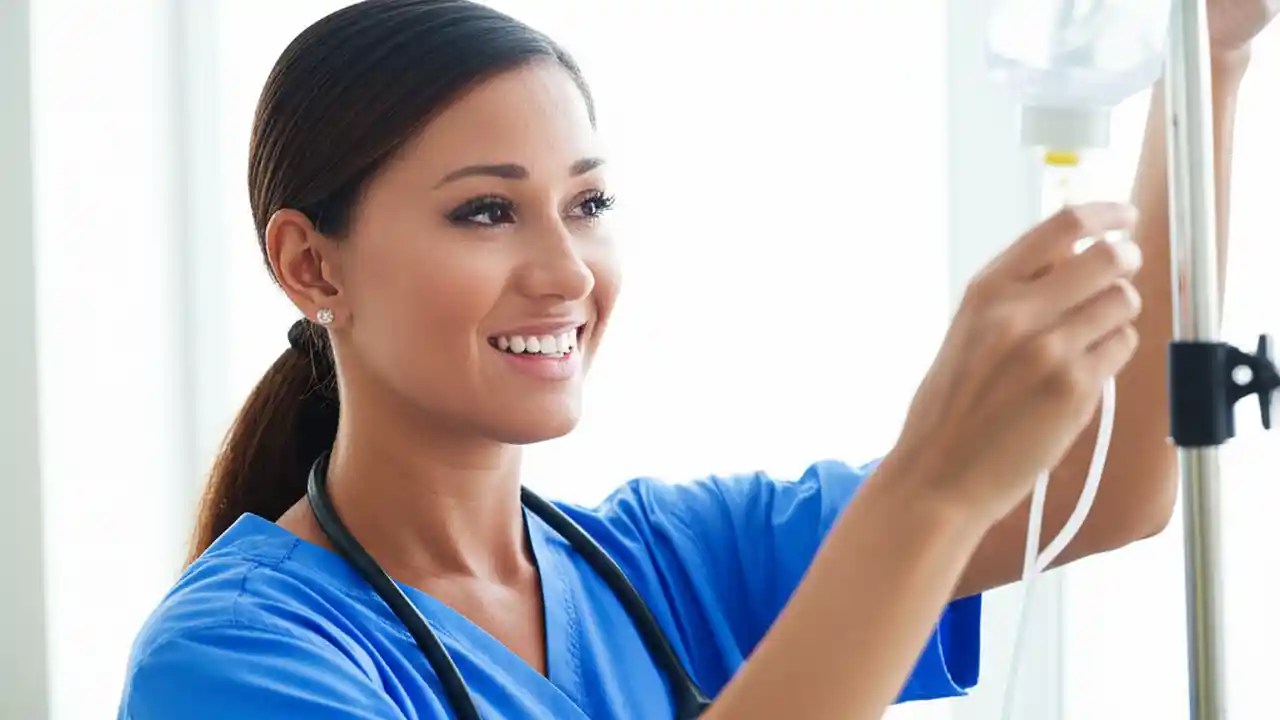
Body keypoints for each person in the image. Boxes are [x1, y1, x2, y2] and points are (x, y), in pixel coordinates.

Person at [117, 1, 1276, 718]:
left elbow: (1108, 488)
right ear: (311, 267)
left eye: (588, 203)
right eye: (484, 212)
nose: (565, 271)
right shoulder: (237, 661)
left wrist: (1207, 60)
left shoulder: (661, 566)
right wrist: (930, 482)